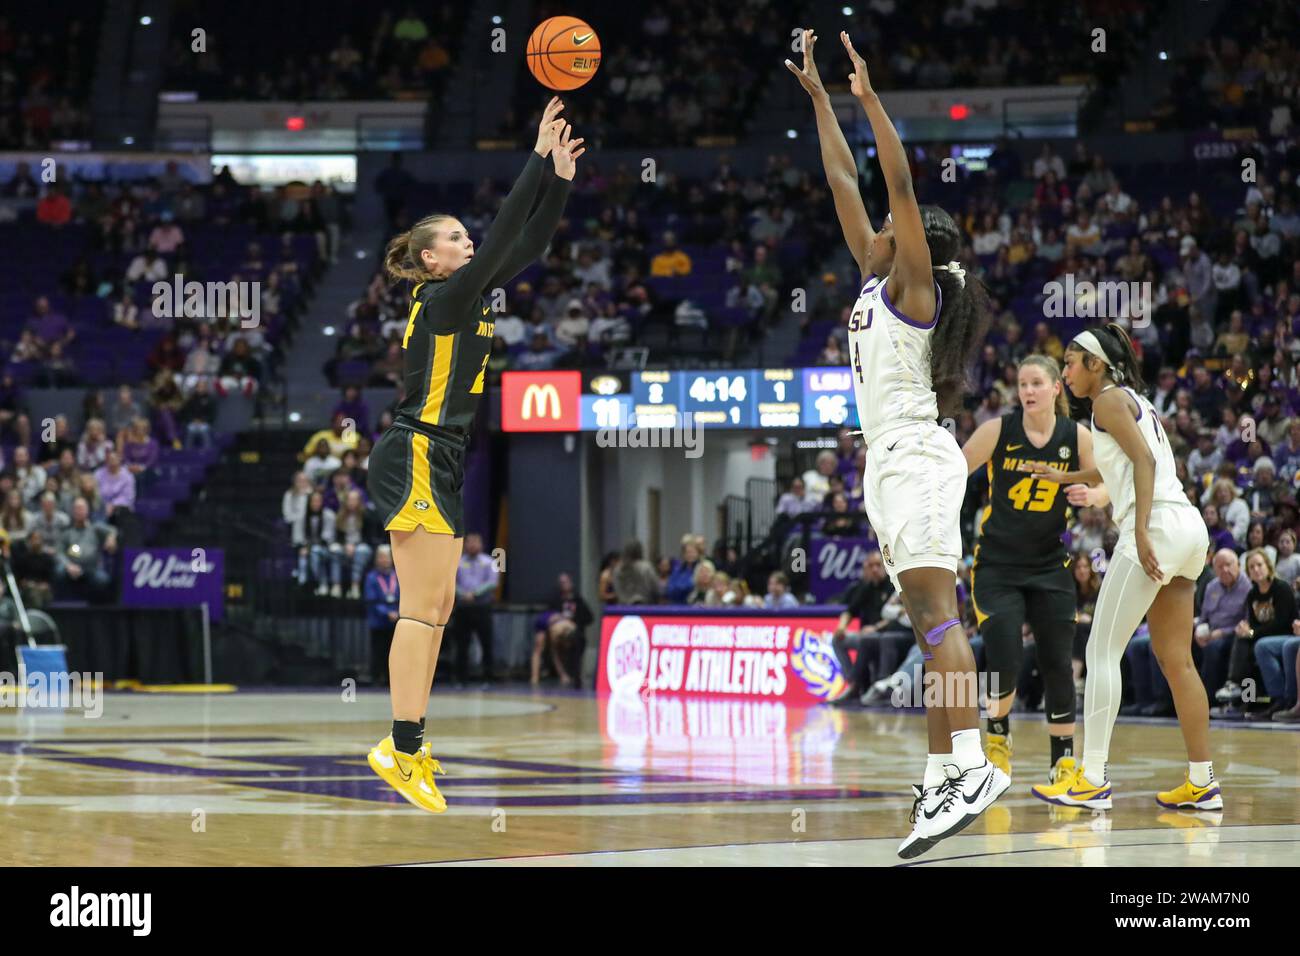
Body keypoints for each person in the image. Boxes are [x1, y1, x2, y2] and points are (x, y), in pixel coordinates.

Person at [789, 29, 1003, 859]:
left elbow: (897, 183)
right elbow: (844, 176)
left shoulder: (916, 287)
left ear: (911, 245)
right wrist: (819, 100)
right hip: (888, 459)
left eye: (885, 226)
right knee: (925, 623)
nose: (872, 229)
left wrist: (870, 97)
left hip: (916, 454)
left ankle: (974, 763)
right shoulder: (879, 280)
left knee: (935, 616)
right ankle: (943, 777)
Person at [364, 99, 581, 812]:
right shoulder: (448, 298)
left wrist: (559, 177)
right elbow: (499, 247)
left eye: (465, 238)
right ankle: (397, 745)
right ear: (433, 259)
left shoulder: (468, 294)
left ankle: (413, 744)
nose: (470, 243)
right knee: (420, 610)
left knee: (440, 608)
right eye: (457, 238)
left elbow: (533, 245)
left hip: (441, 457)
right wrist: (533, 157)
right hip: (416, 453)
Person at [1029, 324, 1220, 812]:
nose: (1065, 372)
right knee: (1176, 661)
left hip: (1154, 527)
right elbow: (1121, 463)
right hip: (1188, 530)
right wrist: (1065, 475)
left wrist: (1136, 530)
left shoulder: (1106, 401)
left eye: (1071, 363)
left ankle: (1093, 778)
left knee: (1100, 650)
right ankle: (1203, 782)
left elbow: (1143, 464)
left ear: (1096, 364)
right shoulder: (1133, 400)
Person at [961, 355, 1099, 784]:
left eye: (1037, 382)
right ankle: (998, 737)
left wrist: (1093, 497)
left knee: (1058, 659)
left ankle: (1063, 761)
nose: (1028, 391)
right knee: (1004, 652)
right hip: (997, 565)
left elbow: (1106, 481)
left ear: (1057, 387)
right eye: (1022, 384)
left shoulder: (1075, 436)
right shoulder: (997, 430)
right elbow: (950, 473)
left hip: (1049, 564)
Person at [450, 533, 499, 687]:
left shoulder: (489, 562)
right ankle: (461, 679)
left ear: (481, 544)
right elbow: (451, 581)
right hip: (463, 608)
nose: (472, 545)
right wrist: (462, 594)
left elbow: (493, 582)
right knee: (461, 645)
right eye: (469, 542)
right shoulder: (457, 562)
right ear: (465, 545)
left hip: (482, 607)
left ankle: (488, 678)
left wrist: (475, 593)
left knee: (486, 643)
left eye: (475, 542)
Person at [365, 545, 400, 686]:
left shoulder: (397, 576)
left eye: (387, 557)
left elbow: (403, 596)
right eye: (381, 557)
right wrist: (387, 613)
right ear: (376, 559)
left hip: (396, 621)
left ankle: (391, 680)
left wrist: (398, 612)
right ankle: (376, 679)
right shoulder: (371, 577)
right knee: (378, 651)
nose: (384, 560)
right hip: (378, 622)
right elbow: (371, 599)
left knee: (395, 653)